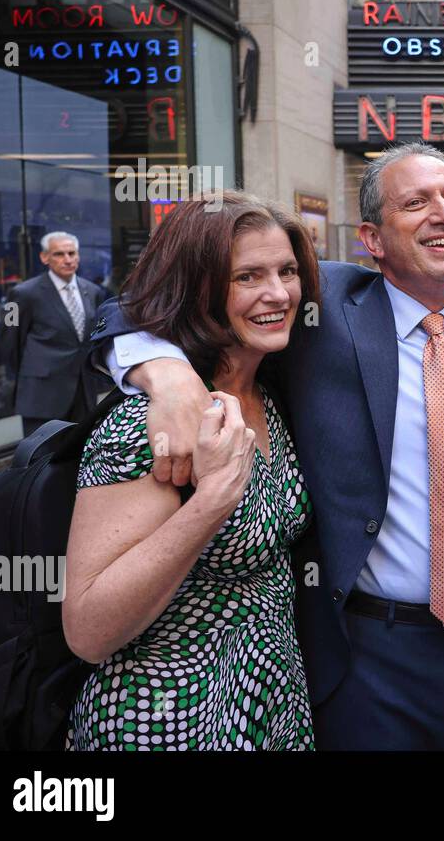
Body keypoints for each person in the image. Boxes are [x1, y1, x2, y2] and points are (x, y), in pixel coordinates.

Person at [96, 144, 444, 750]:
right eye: (417, 202)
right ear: (371, 237)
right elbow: (129, 312)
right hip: (370, 653)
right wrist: (164, 372)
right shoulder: (318, 311)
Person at [63, 193, 320, 750]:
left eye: (288, 271)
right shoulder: (154, 425)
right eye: (247, 277)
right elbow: (87, 629)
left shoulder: (270, 390)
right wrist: (210, 505)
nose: (278, 293)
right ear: (196, 287)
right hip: (166, 718)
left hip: (266, 705)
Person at [0, 232, 111, 436]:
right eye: (59, 254)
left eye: (71, 253)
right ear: (44, 258)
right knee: (41, 458)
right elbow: (8, 342)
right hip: (42, 395)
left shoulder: (92, 291)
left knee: (78, 456)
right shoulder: (21, 294)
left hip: (83, 392)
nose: (67, 259)